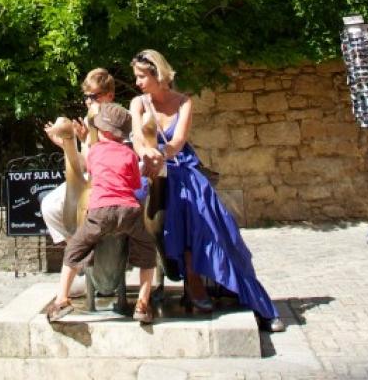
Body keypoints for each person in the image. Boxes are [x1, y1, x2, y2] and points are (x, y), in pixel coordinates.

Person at [130, 49, 284, 333]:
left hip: (178, 164)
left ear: (157, 74)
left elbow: (178, 141)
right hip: (148, 167)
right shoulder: (138, 103)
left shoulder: (184, 102)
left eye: (141, 76)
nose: (137, 82)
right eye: (137, 77)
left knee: (203, 210)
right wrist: (147, 154)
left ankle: (204, 280)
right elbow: (138, 139)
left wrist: (162, 154)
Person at [43, 102, 157, 325]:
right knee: (147, 250)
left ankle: (62, 300)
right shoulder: (130, 154)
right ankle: (142, 304)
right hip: (129, 212)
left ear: (102, 131)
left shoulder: (95, 151)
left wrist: (69, 144)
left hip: (100, 212)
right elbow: (135, 184)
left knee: (74, 249)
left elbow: (88, 173)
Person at [41, 68, 117, 244]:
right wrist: (66, 145)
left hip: (111, 179)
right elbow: (84, 164)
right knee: (50, 206)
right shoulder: (88, 120)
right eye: (86, 97)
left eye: (95, 96)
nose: (89, 101)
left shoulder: (120, 119)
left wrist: (90, 141)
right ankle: (76, 247)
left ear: (110, 96)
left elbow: (117, 157)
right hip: (90, 177)